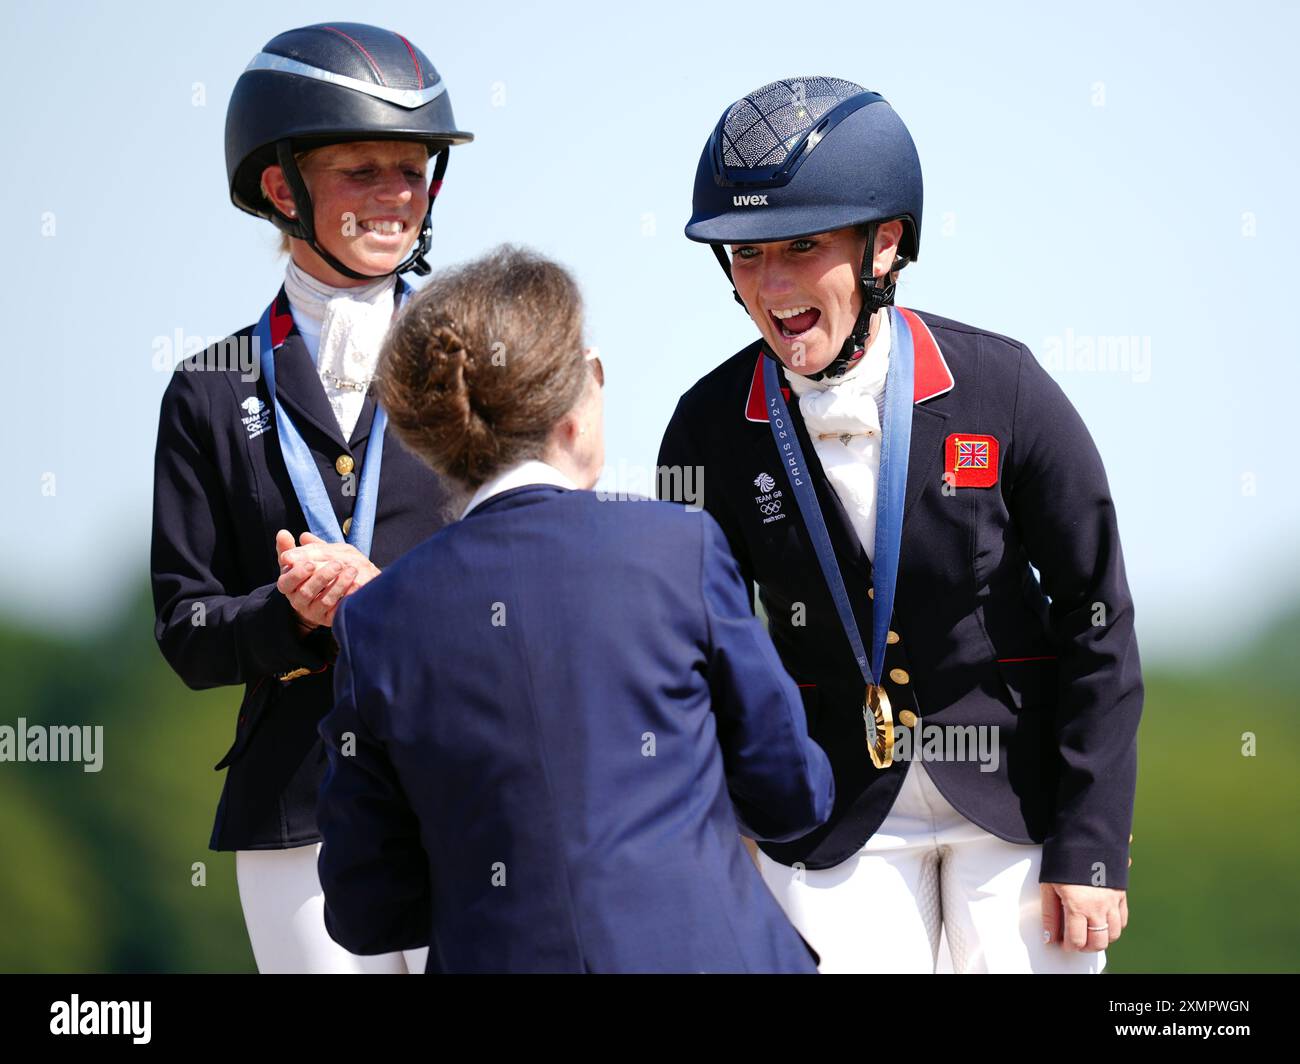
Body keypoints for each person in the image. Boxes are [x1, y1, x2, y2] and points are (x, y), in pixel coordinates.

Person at [657, 76, 1143, 973]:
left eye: (802, 246)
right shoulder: (708, 425)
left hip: (1016, 804)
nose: (772, 285)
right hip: (833, 817)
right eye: (747, 255)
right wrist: (731, 823)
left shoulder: (1004, 389)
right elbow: (691, 647)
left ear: (884, 246)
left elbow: (1096, 614)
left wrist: (1092, 842)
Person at [313, 245, 835, 973]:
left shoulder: (376, 623)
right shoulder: (676, 549)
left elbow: (367, 908)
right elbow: (791, 798)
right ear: (580, 394)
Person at [150, 21, 472, 973]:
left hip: (466, 786)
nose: (394, 197)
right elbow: (186, 627)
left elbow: (534, 570)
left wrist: (390, 595)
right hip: (298, 807)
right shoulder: (207, 388)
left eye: (410, 169)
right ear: (282, 186)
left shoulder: (479, 363)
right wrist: (286, 615)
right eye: (360, 170)